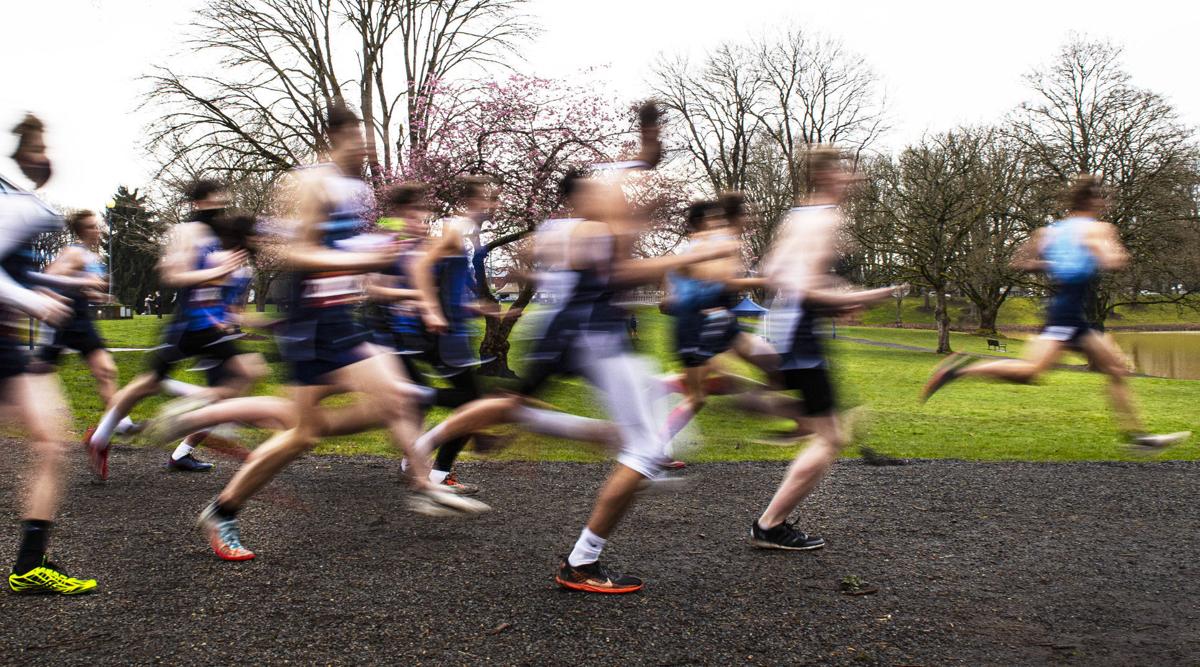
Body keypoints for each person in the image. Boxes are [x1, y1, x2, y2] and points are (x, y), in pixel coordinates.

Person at [415, 103, 740, 593]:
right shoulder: (586, 228)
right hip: (591, 339)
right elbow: (616, 271)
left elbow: (634, 182)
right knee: (644, 449)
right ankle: (581, 562)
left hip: (576, 335)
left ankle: (425, 454)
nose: (616, 197)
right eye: (601, 192)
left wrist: (649, 147)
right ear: (582, 198)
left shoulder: (581, 222)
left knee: (522, 408)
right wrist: (690, 255)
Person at [197, 104, 485, 562]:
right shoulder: (310, 183)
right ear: (333, 136)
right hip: (309, 324)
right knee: (303, 435)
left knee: (399, 396)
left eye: (367, 139)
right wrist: (363, 259)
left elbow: (346, 252)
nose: (365, 147)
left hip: (341, 321)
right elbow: (298, 254)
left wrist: (379, 262)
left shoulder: (358, 192)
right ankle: (223, 506)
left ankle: (422, 484)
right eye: (357, 138)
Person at [922, 175, 1190, 451]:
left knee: (1115, 369)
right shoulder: (1097, 229)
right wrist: (1102, 250)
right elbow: (1114, 261)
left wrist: (1057, 262)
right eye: (1103, 198)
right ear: (1092, 200)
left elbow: (1020, 262)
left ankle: (1137, 436)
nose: (1106, 204)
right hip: (1068, 313)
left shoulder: (1050, 232)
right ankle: (959, 371)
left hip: (1066, 309)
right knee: (1032, 371)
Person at [748, 146, 896, 552]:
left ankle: (764, 406)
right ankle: (769, 524)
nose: (854, 178)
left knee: (824, 428)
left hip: (783, 327)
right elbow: (805, 289)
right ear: (827, 175)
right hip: (799, 334)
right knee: (831, 437)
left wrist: (836, 293)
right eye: (846, 171)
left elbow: (774, 273)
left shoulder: (798, 216)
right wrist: (868, 295)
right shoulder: (826, 220)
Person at [84, 179, 267, 478]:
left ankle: (184, 440)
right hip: (187, 324)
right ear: (198, 202)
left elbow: (228, 293)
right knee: (146, 384)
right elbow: (172, 275)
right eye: (214, 197)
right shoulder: (188, 231)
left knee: (247, 374)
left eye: (222, 197)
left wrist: (247, 316)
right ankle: (100, 439)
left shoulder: (220, 235)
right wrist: (218, 271)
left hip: (211, 328)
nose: (220, 202)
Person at [2, 113, 97, 593]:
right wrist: (34, 301)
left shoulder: (19, 202)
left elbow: (13, 270)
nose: (45, 157)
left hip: (6, 345)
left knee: (51, 442)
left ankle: (29, 565)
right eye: (37, 148)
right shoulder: (16, 206)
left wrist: (62, 284)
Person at [36, 210, 139, 437]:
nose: (97, 230)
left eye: (97, 225)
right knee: (41, 372)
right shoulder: (74, 253)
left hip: (81, 318)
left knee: (106, 370)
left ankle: (121, 423)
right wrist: (56, 299)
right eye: (92, 226)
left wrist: (97, 295)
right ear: (82, 231)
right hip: (62, 318)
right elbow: (48, 278)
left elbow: (84, 287)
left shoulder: (92, 257)